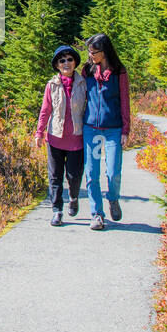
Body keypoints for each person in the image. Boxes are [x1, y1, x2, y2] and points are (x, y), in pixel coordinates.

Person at [81, 33, 131, 231]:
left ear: (105, 51)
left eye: (95, 52)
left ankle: (113, 198)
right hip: (91, 129)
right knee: (92, 173)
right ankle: (97, 214)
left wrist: (125, 129)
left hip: (113, 130)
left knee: (113, 172)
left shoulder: (119, 71)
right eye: (90, 52)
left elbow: (125, 101)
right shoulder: (87, 70)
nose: (91, 55)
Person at [33, 44, 87, 227]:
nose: (66, 63)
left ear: (75, 63)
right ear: (57, 65)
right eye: (62, 60)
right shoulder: (52, 85)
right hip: (55, 137)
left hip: (77, 138)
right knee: (55, 176)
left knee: (74, 176)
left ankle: (73, 197)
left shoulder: (83, 83)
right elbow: (45, 110)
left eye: (70, 59)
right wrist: (39, 133)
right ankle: (57, 211)